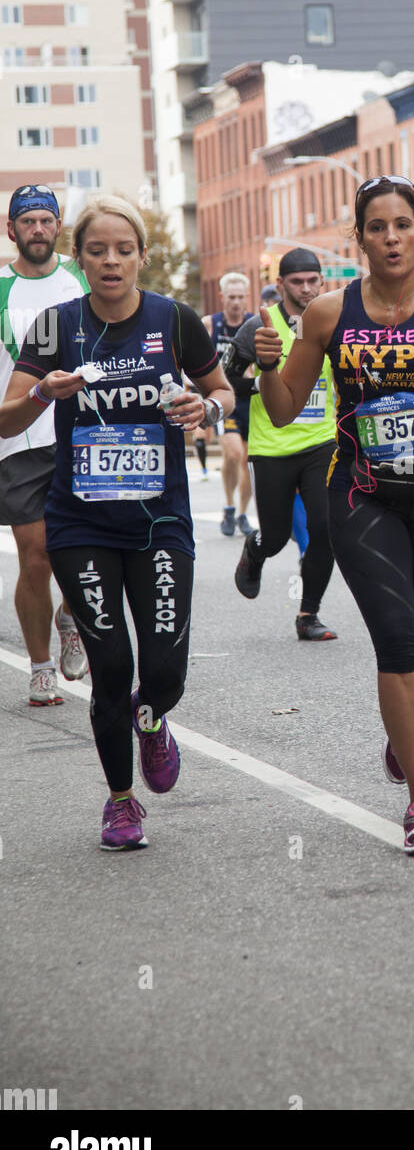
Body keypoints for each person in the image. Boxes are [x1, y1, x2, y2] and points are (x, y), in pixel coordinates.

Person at [254, 176, 414, 856]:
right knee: (396, 643)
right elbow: (284, 409)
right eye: (377, 227)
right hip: (362, 494)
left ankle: (406, 729)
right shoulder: (327, 313)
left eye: (403, 225)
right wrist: (261, 368)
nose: (391, 237)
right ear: (360, 238)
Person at [0, 195, 233, 850]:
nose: (110, 261)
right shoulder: (55, 326)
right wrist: (44, 393)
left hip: (160, 522)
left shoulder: (173, 318)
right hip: (81, 524)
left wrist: (205, 410)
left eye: (123, 250)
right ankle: (121, 802)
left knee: (164, 673)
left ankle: (152, 718)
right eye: (97, 250)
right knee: (111, 666)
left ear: (140, 257)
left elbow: (223, 391)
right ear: (81, 257)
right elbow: (7, 417)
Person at [0, 184, 89, 704]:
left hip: (83, 432)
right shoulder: (1, 288)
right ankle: (39, 667)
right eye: (27, 221)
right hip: (21, 437)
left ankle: (71, 614)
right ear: (11, 229)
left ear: (59, 227)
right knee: (35, 557)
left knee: (80, 548)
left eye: (45, 220)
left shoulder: (81, 278)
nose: (37, 229)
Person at [226, 247, 338, 640]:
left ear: (322, 282)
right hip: (271, 446)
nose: (306, 289)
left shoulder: (333, 322)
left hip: (321, 442)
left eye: (312, 281)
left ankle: (309, 615)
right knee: (275, 537)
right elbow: (226, 381)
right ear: (280, 285)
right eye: (297, 282)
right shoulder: (260, 326)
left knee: (326, 528)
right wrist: (263, 382)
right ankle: (255, 551)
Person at [203, 272, 253, 537]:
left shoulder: (255, 324)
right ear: (222, 297)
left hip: (252, 400)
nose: (236, 302)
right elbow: (193, 364)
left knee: (248, 460)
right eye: (231, 297)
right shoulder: (210, 325)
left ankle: (243, 513)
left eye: (241, 297)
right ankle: (229, 505)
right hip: (225, 400)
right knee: (233, 454)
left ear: (247, 297)